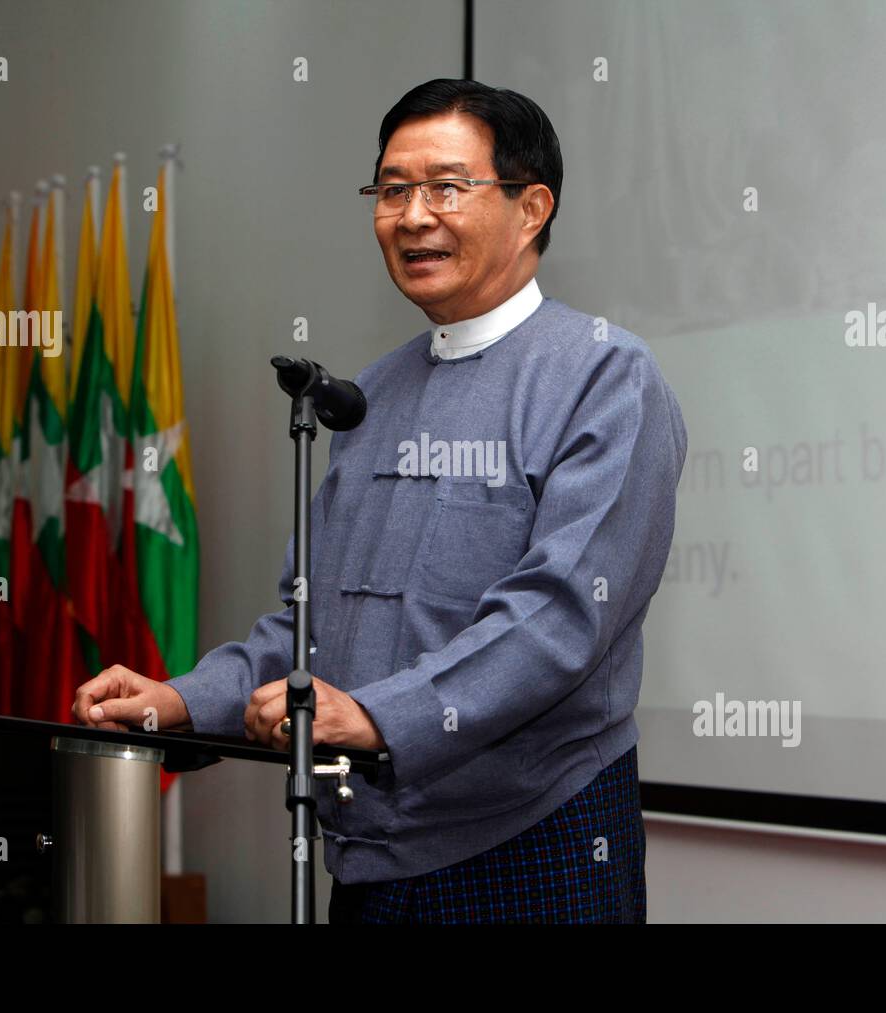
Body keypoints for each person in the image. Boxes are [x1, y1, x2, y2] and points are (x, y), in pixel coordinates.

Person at [73, 79, 687, 923]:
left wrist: (375, 713)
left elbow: (559, 620)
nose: (412, 215)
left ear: (531, 207)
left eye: (445, 186)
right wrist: (180, 702)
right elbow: (307, 626)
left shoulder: (604, 377)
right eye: (392, 190)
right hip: (368, 853)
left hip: (533, 844)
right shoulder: (372, 395)